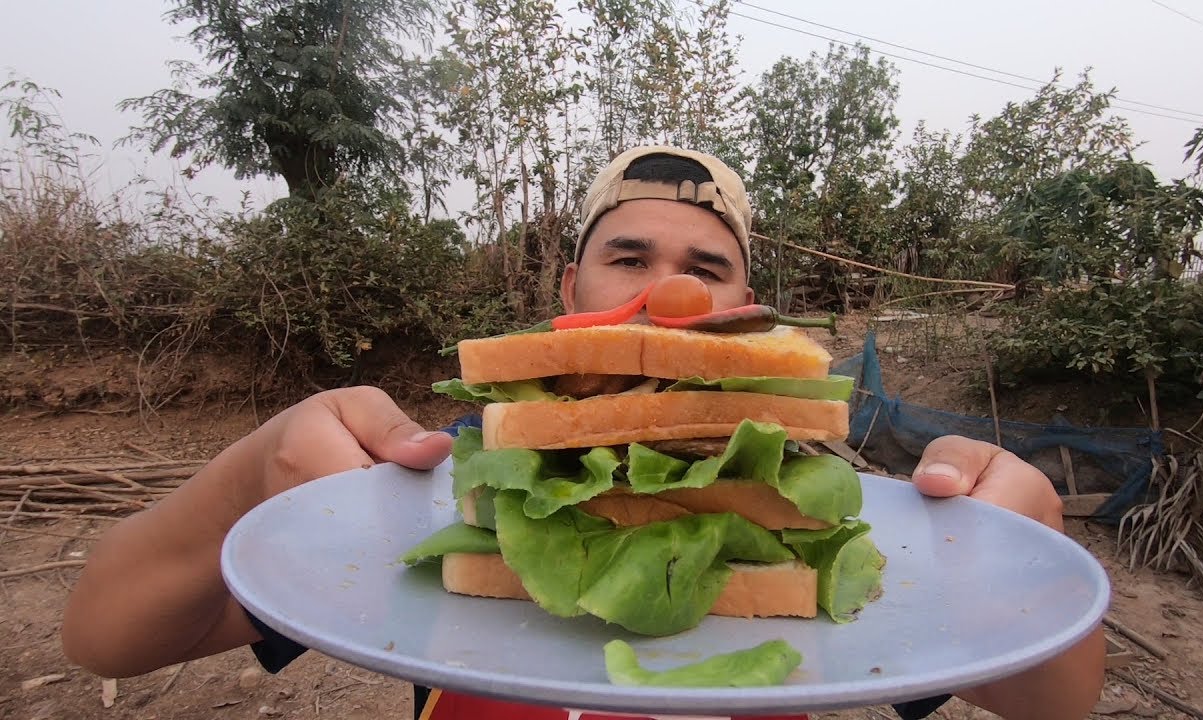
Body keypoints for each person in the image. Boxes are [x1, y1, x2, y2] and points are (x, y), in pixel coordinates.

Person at [62, 145, 1105, 720]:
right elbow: (106, 638)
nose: (669, 297)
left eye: (707, 271)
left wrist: (1018, 554)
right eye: (629, 258)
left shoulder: (814, 494)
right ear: (569, 292)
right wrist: (249, 473)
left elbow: (1053, 706)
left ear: (750, 317)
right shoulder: (454, 478)